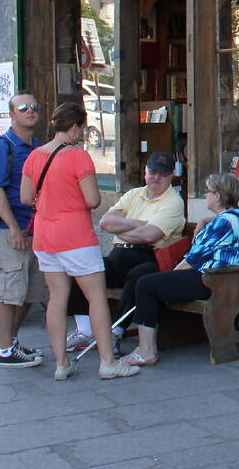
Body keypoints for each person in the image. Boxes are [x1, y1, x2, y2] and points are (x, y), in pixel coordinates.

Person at [21, 102, 139, 381]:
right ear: (73, 127)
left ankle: (62, 363)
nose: (82, 134)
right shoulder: (78, 157)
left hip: (44, 235)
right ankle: (108, 361)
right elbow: (93, 200)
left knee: (57, 298)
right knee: (95, 296)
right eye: (81, 129)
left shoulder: (35, 156)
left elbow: (26, 198)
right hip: (75, 234)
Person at [120, 173, 239, 368]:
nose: (206, 195)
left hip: (209, 279)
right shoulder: (236, 217)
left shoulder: (224, 222)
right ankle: (148, 346)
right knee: (152, 282)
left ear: (218, 196)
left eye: (208, 191)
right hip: (214, 276)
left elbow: (193, 259)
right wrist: (204, 221)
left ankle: (146, 351)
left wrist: (172, 273)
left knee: (146, 284)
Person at [64, 151, 186, 353]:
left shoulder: (173, 202)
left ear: (171, 176)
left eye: (162, 174)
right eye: (153, 172)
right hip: (118, 256)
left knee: (138, 277)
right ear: (145, 172)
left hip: (150, 256)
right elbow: (105, 222)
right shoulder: (133, 194)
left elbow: (149, 236)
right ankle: (85, 331)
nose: (156, 177)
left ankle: (116, 333)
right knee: (83, 267)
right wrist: (138, 224)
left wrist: (122, 228)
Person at [0, 91, 46, 369]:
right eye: (22, 107)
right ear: (12, 114)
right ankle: (5, 349)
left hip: (34, 230)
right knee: (8, 293)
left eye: (34, 107)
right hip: (7, 231)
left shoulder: (38, 147)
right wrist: (12, 227)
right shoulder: (2, 146)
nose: (29, 111)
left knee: (29, 292)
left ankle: (13, 341)